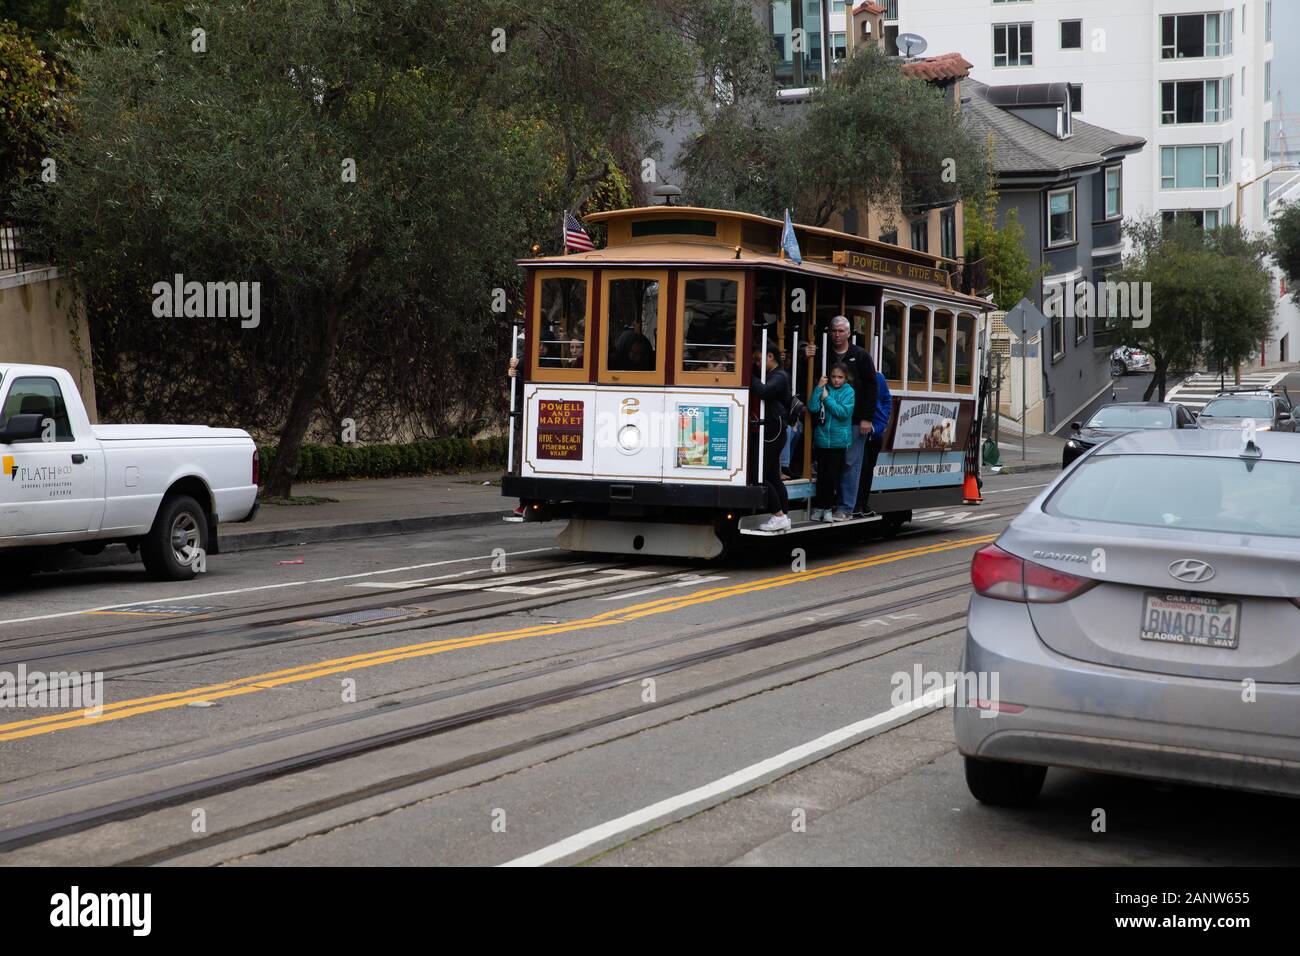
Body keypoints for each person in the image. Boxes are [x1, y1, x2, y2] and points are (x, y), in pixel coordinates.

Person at [803, 315, 878, 518]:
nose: (837, 335)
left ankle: (845, 508)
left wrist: (867, 418)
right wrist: (806, 355)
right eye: (833, 331)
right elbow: (809, 376)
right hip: (827, 423)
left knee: (850, 464)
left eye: (841, 331)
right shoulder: (823, 353)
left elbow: (872, 387)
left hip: (854, 421)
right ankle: (828, 505)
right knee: (829, 466)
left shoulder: (860, 355)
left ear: (849, 333)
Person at [750, 344, 791, 533]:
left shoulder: (779, 376)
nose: (757, 364)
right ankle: (784, 515)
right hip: (775, 430)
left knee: (759, 474)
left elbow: (764, 391)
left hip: (773, 430)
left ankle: (778, 515)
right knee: (774, 476)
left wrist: (746, 375)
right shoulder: (775, 374)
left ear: (770, 356)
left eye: (759, 359)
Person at [807, 362, 855, 523]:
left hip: (838, 441)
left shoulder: (849, 392)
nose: (836, 380)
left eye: (840, 377)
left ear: (846, 378)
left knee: (831, 476)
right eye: (834, 376)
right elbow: (813, 407)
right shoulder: (824, 388)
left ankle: (828, 508)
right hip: (822, 440)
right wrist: (819, 388)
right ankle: (819, 507)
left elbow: (843, 413)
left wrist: (826, 399)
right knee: (821, 476)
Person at [857, 368, 892, 517]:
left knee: (868, 469)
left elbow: (886, 400)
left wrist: (879, 425)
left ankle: (863, 503)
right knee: (859, 468)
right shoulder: (856, 377)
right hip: (857, 432)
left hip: (874, 432)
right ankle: (856, 504)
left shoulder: (878, 377)